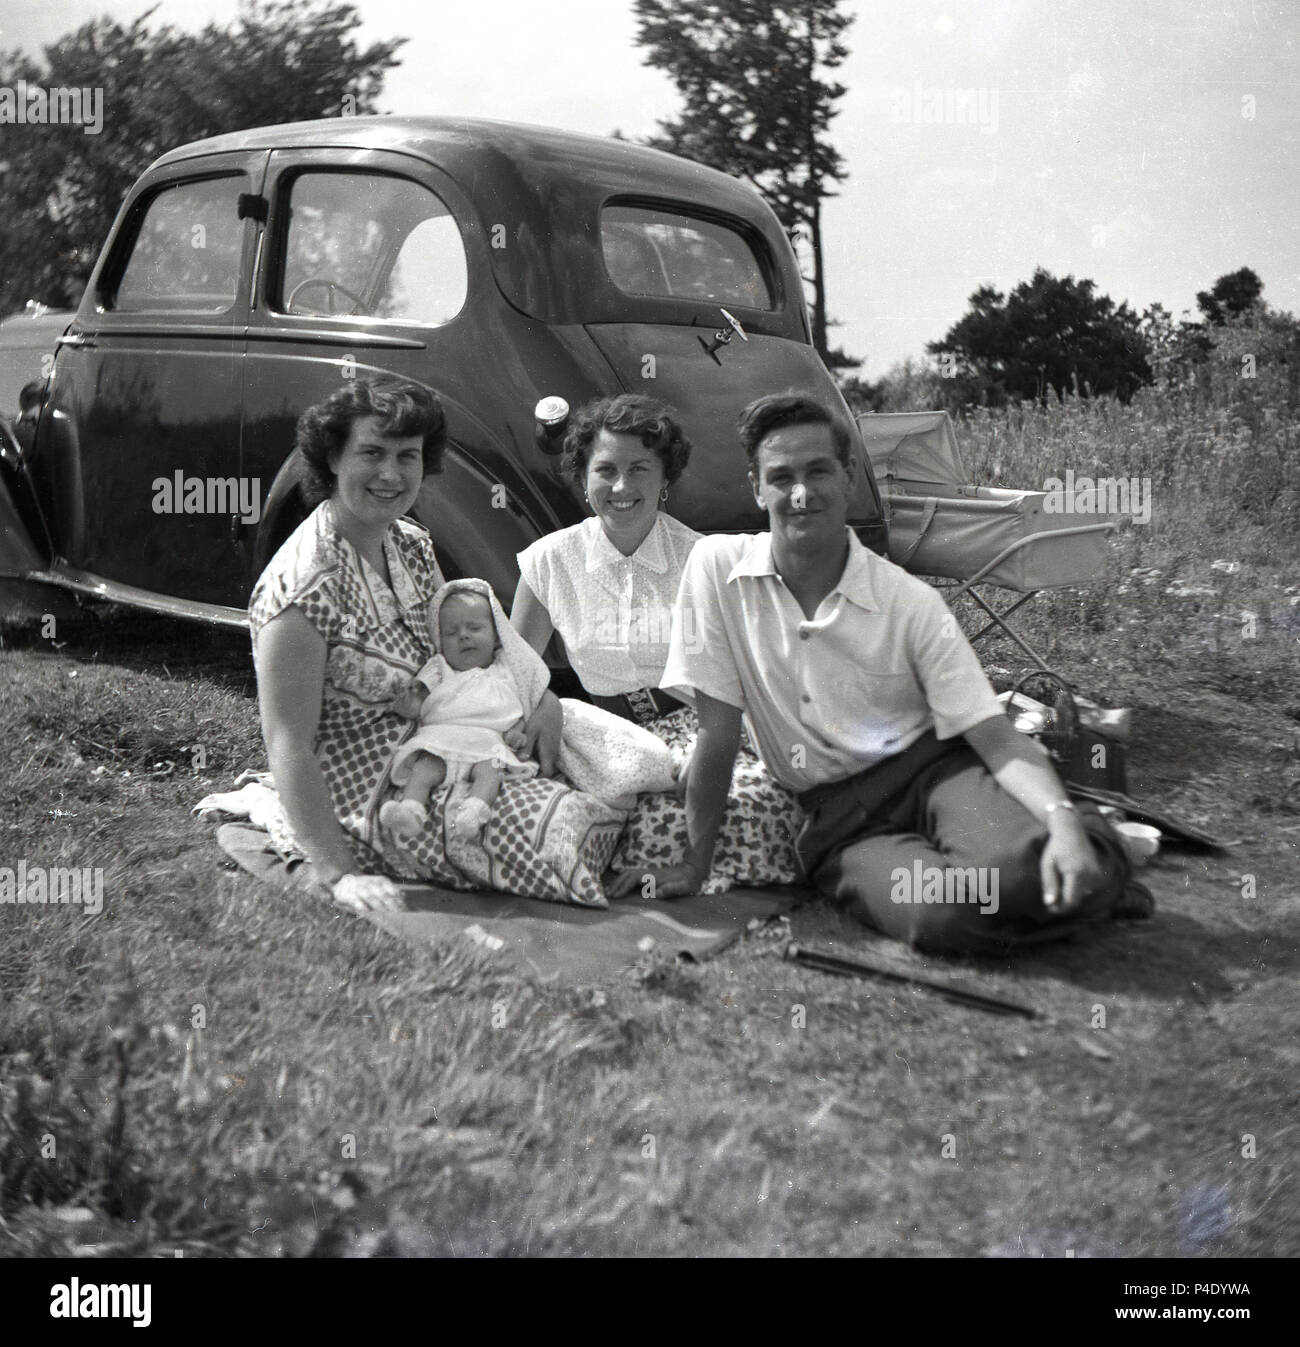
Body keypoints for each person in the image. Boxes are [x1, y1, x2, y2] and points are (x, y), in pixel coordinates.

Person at [657, 393, 1136, 951]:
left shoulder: (909, 602)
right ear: (757, 488)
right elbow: (718, 732)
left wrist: (1062, 822)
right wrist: (695, 865)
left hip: (934, 774)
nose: (802, 494)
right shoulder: (716, 570)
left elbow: (995, 737)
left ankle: (1092, 845)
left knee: (1017, 870)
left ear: (850, 476)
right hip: (839, 820)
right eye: (781, 477)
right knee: (939, 916)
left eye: (819, 471)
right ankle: (1083, 884)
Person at [251, 375, 623, 915]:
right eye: (372, 453)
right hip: (375, 792)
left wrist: (539, 700)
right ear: (331, 458)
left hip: (463, 736)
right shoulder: (301, 592)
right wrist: (338, 876)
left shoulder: (411, 544)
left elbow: (469, 645)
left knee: (611, 781)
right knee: (557, 833)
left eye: (408, 456)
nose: (391, 473)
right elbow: (288, 745)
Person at [511, 393, 802, 896]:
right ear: (583, 478)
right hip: (599, 735)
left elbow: (744, 681)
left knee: (748, 803)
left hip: (694, 730)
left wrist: (704, 749)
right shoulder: (548, 561)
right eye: (605, 469)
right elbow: (514, 671)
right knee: (539, 813)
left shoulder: (701, 559)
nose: (621, 486)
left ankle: (651, 851)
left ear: (665, 478)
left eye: (639, 468)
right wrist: (545, 701)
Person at [380, 580, 539, 843]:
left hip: (489, 744)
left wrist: (517, 732)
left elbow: (519, 708)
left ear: (497, 634)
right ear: (440, 641)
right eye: (451, 633)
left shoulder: (507, 669)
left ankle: (474, 812)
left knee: (493, 770)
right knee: (423, 769)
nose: (463, 635)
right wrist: (408, 704)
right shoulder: (439, 667)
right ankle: (410, 810)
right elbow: (418, 702)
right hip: (441, 740)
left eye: (474, 628)